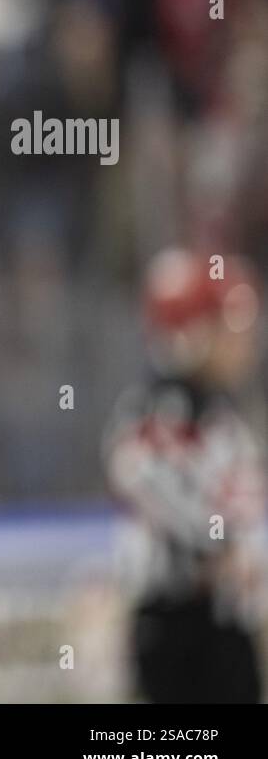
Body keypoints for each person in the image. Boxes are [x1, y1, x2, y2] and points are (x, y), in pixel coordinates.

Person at [103, 248, 268, 703]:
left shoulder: (223, 418)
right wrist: (225, 549)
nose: (244, 341)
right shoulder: (150, 420)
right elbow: (164, 496)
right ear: (192, 334)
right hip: (178, 631)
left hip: (226, 626)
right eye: (227, 328)